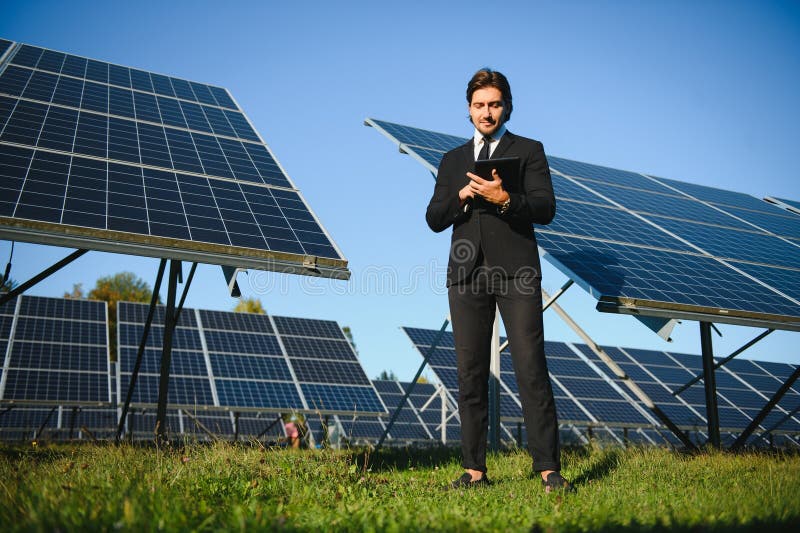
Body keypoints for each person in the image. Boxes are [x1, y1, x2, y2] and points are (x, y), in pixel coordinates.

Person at [426, 68, 571, 492]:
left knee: (530, 367)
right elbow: (434, 218)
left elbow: (545, 208)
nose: (486, 112)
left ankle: (547, 469)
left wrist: (505, 199)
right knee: (470, 373)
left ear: (507, 106)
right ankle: (474, 470)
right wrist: (463, 197)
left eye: (494, 104)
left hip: (518, 274)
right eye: (478, 105)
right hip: (466, 275)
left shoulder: (528, 151)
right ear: (468, 109)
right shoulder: (453, 161)